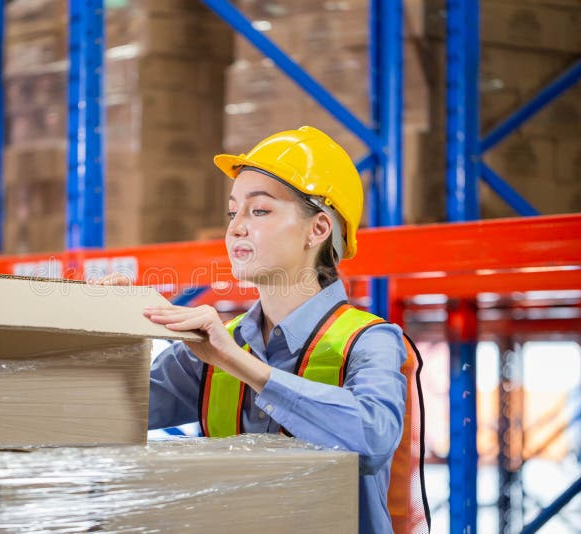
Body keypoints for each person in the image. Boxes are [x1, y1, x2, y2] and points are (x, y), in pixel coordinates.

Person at [91, 126, 428, 534]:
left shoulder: (370, 340)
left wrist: (240, 365)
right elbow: (98, 413)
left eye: (259, 210)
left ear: (318, 229)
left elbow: (372, 440)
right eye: (233, 212)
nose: (235, 228)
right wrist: (105, 333)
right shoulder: (212, 346)